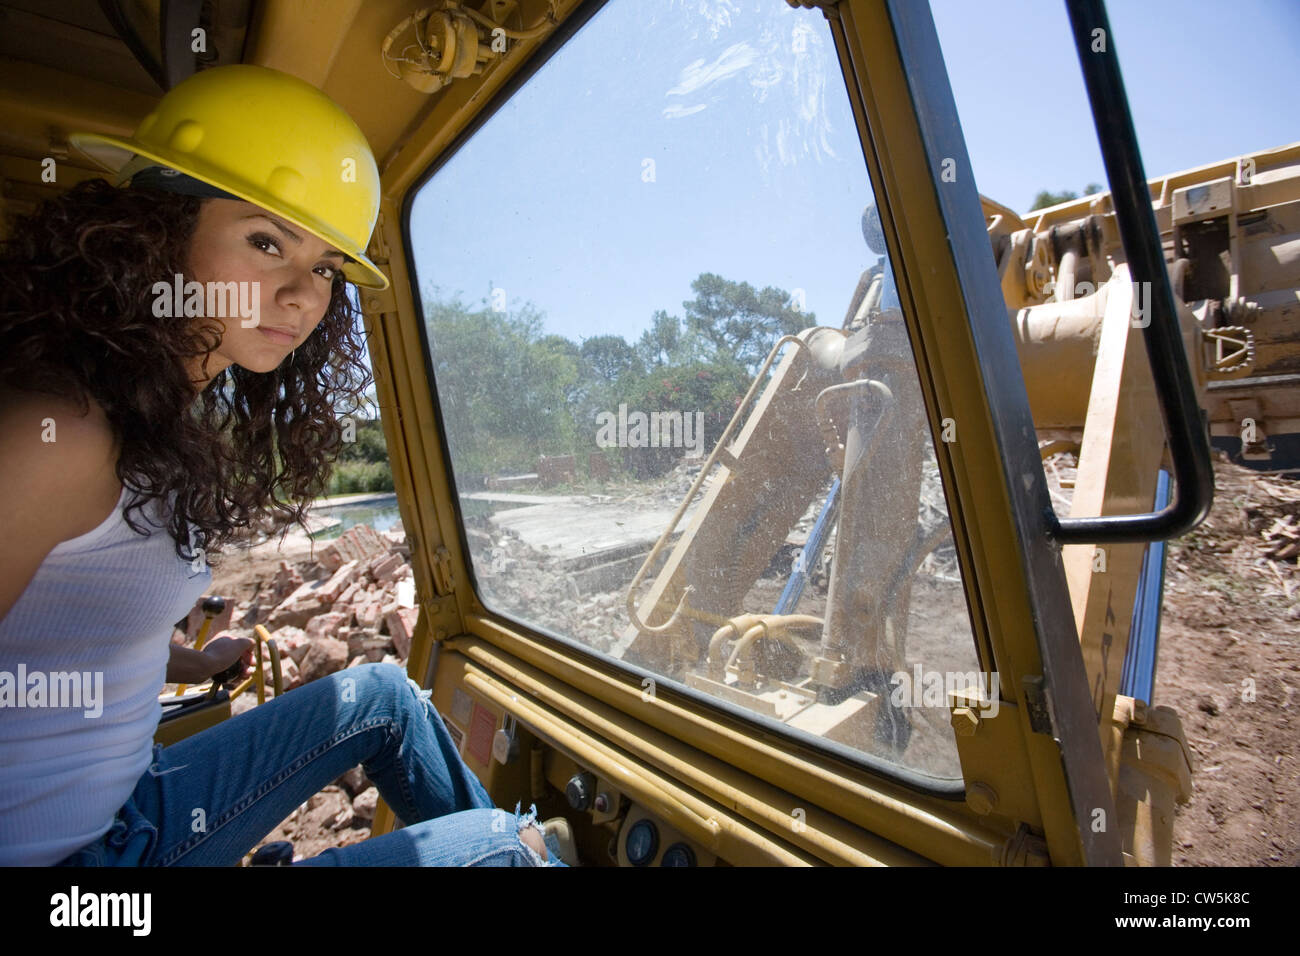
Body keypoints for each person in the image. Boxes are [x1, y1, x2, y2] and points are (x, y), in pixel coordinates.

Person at [0, 64, 569, 867]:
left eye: (328, 267)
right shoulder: (56, 433)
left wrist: (186, 661)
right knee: (505, 852)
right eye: (267, 242)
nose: (304, 294)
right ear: (154, 229)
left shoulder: (153, 415)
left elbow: (57, 622)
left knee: (381, 698)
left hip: (130, 805)